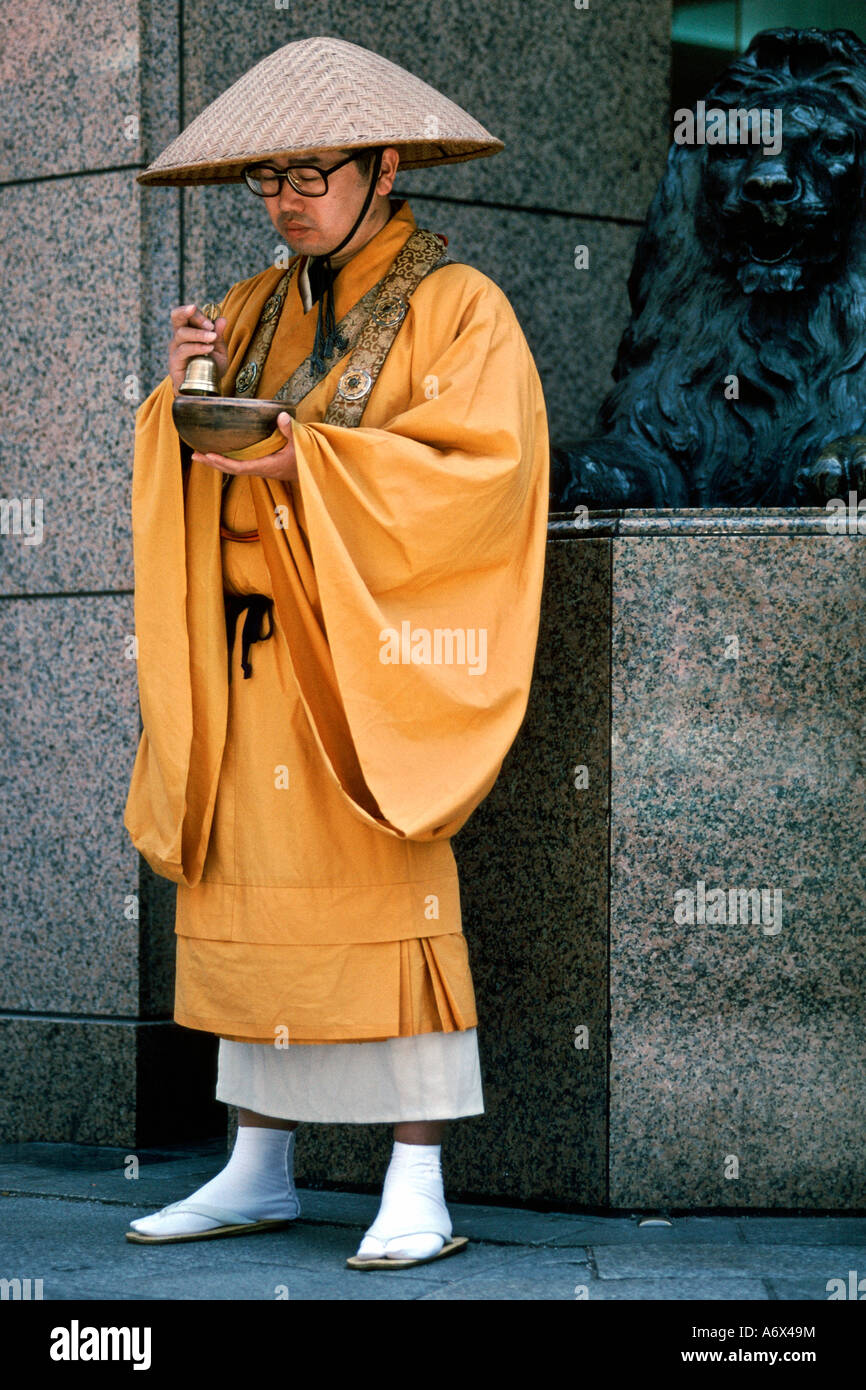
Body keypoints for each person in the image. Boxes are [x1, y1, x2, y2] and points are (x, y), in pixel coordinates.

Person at [122, 35, 549, 1269]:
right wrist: (182, 393)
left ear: (386, 165)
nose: (287, 200)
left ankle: (418, 1177)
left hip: (370, 670)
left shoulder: (459, 306)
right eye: (271, 180)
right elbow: (189, 457)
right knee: (255, 910)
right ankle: (257, 1164)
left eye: (312, 175)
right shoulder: (253, 309)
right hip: (249, 664)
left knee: (389, 906)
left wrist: (302, 457)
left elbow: (479, 473)